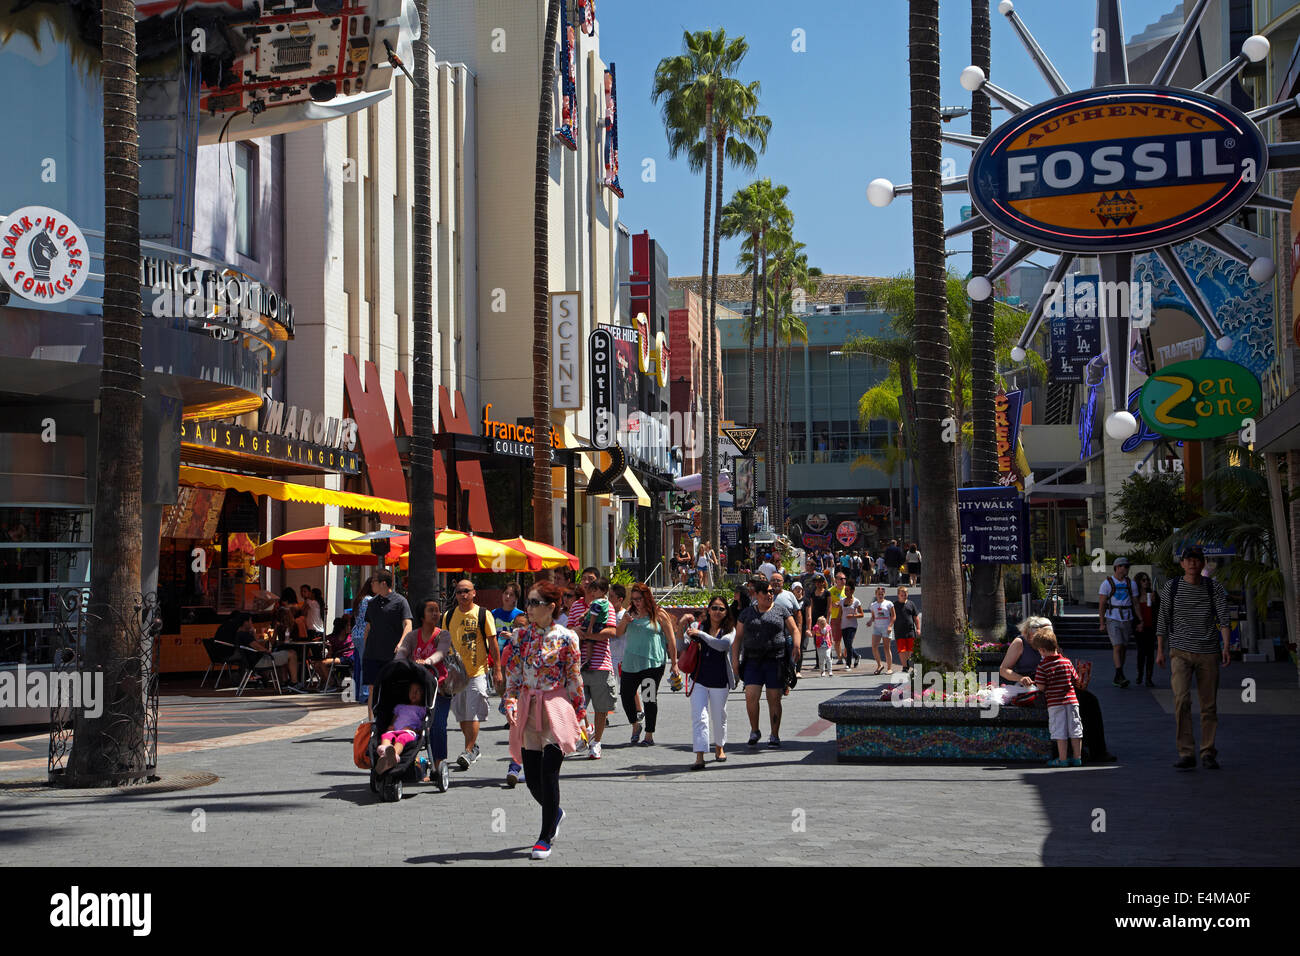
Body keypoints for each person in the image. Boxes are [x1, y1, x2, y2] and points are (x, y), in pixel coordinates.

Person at [502, 580, 586, 860]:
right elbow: (513, 674)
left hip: (556, 708)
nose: (529, 607)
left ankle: (544, 836)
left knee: (549, 775)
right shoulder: (520, 637)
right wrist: (510, 700)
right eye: (529, 602)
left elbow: (574, 678)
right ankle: (556, 813)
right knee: (533, 781)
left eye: (535, 603)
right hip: (528, 707)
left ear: (551, 607)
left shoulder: (567, 637)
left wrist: (581, 713)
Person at [999, 616, 1116, 763]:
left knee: (1089, 700)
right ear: (1029, 634)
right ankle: (1069, 753)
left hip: (1056, 681)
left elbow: (1060, 661)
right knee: (1060, 706)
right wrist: (1020, 678)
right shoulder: (1019, 642)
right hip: (1033, 683)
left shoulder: (1048, 640)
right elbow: (1004, 670)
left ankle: (1096, 750)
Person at [1156, 546, 1232, 770]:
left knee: (1209, 705)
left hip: (1208, 652)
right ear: (1182, 564)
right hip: (1179, 651)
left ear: (1203, 563)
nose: (1192, 564)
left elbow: (1224, 618)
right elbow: (1163, 619)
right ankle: (1186, 751)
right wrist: (1160, 649)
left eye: (1197, 560)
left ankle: (1208, 751)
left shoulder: (1213, 587)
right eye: (1188, 560)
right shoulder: (1172, 587)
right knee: (1181, 700)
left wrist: (1226, 646)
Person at [442, 578, 501, 771]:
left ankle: (467, 750)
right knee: (462, 714)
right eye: (459, 592)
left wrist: (498, 670)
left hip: (478, 672)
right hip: (456, 674)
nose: (463, 595)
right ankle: (473, 747)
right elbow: (444, 643)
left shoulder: (483, 614)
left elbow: (493, 644)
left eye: (466, 591)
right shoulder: (449, 616)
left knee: (473, 712)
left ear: (474, 593)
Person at [734, 575, 798, 747]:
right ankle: (754, 731)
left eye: (771, 592)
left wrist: (797, 646)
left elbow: (794, 629)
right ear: (757, 594)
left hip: (775, 660)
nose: (770, 595)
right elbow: (737, 638)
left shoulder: (780, 610)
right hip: (753, 661)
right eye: (766, 592)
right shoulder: (746, 613)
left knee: (774, 698)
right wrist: (735, 661)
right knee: (751, 697)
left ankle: (774, 735)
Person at [395, 599, 454, 783]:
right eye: (431, 610)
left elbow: (442, 652)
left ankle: (438, 763)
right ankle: (408, 763)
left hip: (440, 687)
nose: (436, 614)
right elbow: (402, 651)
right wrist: (398, 662)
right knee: (413, 725)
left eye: (437, 610)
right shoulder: (413, 636)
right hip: (417, 689)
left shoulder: (442, 635)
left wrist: (427, 661)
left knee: (437, 726)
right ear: (422, 615)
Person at [615, 583, 678, 746]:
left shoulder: (658, 613)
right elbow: (618, 633)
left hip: (653, 663)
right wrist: (624, 622)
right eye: (633, 599)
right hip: (631, 663)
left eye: (639, 599)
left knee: (648, 697)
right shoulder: (629, 613)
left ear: (646, 597)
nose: (636, 602)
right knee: (626, 695)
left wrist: (675, 663)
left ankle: (649, 735)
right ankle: (636, 726)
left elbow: (671, 640)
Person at [683, 597, 736, 769]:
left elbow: (722, 645)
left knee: (719, 716)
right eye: (714, 608)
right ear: (708, 610)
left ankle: (719, 747)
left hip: (720, 680)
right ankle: (699, 755)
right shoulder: (698, 627)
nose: (717, 612)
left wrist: (701, 635)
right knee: (700, 717)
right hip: (699, 679)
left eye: (721, 609)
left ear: (726, 612)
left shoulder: (730, 630)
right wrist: (679, 627)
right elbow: (681, 646)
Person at [574, 575, 618, 759]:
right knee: (576, 706)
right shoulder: (576, 606)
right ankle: (585, 731)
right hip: (577, 666)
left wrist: (589, 635)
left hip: (602, 664)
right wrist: (577, 632)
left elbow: (612, 631)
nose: (588, 586)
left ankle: (596, 742)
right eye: (585, 581)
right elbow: (569, 629)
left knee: (601, 707)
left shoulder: (608, 606)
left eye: (591, 582)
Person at [361, 570, 413, 721]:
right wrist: (365, 648)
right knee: (372, 688)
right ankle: (372, 723)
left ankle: (393, 722)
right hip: (372, 653)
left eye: (374, 581)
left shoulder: (400, 601)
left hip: (392, 654)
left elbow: (408, 624)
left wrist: (401, 642)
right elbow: (368, 628)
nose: (371, 584)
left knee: (393, 688)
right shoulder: (372, 603)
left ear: (383, 583)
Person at [1030, 627, 1084, 767]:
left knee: (1060, 731)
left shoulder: (1043, 666)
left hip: (1055, 703)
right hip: (1072, 701)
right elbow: (1076, 679)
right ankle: (1077, 758)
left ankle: (1062, 759)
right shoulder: (1066, 661)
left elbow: (1041, 687)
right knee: (1075, 729)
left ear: (1042, 650)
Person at [374, 681, 427, 776]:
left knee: (401, 738)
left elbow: (424, 725)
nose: (414, 694)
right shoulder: (400, 707)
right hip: (396, 730)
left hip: (410, 732)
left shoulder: (422, 709)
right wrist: (391, 726)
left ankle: (394, 755)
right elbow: (394, 719)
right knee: (386, 735)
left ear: (423, 694)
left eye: (418, 691)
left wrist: (416, 730)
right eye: (412, 691)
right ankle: (384, 751)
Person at [1099, 556, 1136, 687]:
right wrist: (1102, 622)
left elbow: (1135, 602)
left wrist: (1140, 619)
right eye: (1124, 566)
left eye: (1127, 566)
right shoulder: (1107, 583)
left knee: (1124, 648)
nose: (1126, 569)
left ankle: (1119, 674)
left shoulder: (1131, 583)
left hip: (1127, 617)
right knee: (1117, 646)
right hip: (1113, 617)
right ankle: (1119, 673)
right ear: (1117, 567)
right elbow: (1102, 603)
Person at [349, 575, 376, 704]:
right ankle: (364, 694)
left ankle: (363, 693)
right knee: (366, 665)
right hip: (363, 635)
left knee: (363, 664)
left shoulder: (361, 599)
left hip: (357, 634)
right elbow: (368, 621)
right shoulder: (368, 600)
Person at [1133, 571, 1159, 687]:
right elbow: (1133, 611)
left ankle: (1149, 677)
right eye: (1143, 580)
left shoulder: (1153, 594)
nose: (1146, 582)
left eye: (1147, 579)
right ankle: (1140, 674)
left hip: (1151, 627)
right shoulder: (1135, 596)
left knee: (1150, 653)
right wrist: (1137, 624)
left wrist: (1155, 601)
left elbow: (1160, 610)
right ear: (1138, 582)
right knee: (1141, 652)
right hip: (1140, 627)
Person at [313, 616, 355, 689]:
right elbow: (320, 639)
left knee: (323, 663)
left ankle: (331, 683)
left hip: (347, 657)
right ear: (342, 628)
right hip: (336, 657)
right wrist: (329, 647)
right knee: (316, 664)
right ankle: (328, 680)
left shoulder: (351, 637)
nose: (349, 627)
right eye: (347, 626)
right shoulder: (332, 637)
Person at [893, 586, 921, 671]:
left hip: (910, 630)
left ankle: (909, 662)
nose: (904, 596)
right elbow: (891, 617)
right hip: (899, 631)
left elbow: (916, 617)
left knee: (910, 649)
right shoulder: (895, 605)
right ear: (898, 595)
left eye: (905, 594)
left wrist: (918, 628)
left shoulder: (911, 604)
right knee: (902, 650)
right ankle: (905, 666)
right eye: (902, 595)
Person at [828, 571, 847, 664]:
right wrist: (832, 604)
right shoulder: (831, 591)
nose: (843, 581)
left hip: (847, 617)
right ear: (836, 580)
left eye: (844, 579)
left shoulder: (847, 590)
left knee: (848, 639)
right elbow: (827, 603)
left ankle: (846, 654)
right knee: (837, 640)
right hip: (835, 618)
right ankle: (840, 658)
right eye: (841, 579)